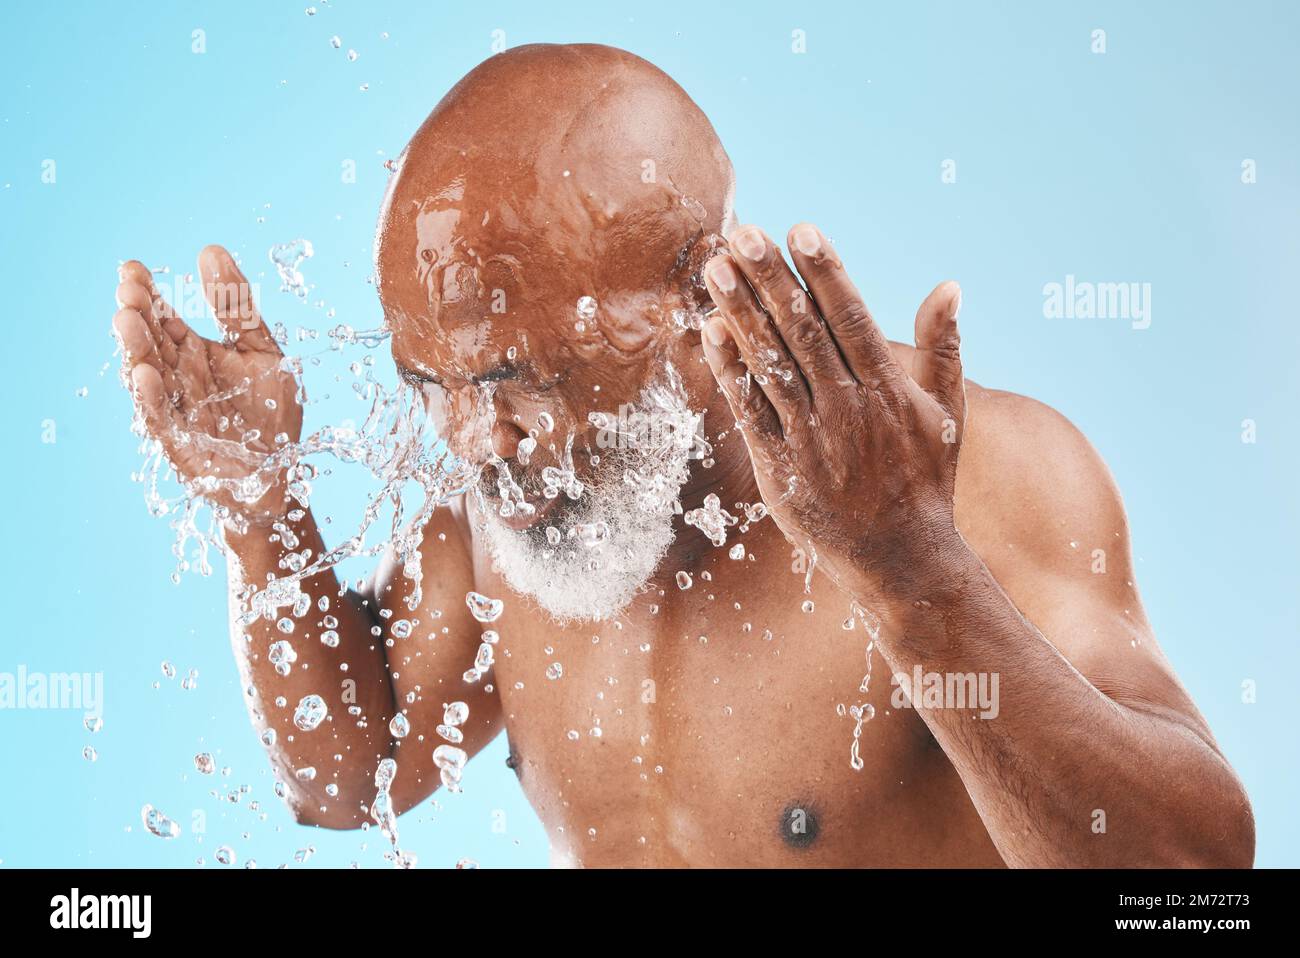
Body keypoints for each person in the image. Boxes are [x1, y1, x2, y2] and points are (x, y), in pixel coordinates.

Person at [111, 43, 1253, 867]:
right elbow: (349, 776)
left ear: (700, 303)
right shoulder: (508, 510)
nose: (476, 441)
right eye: (431, 386)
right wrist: (263, 518)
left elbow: (1195, 880)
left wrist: (911, 567)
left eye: (518, 381)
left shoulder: (972, 474)